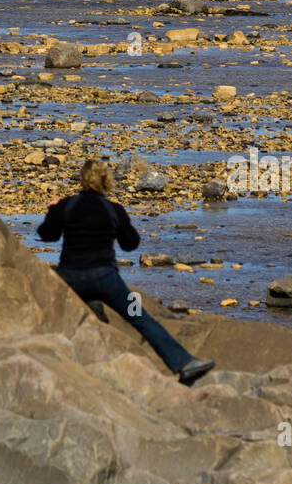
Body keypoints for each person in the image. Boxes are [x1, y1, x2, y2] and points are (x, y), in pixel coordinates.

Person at [37, 157, 215, 387]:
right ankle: (184, 364)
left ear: (82, 179)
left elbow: (47, 235)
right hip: (106, 280)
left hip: (72, 278)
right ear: (107, 181)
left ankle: (80, 324)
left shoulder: (67, 205)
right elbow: (130, 244)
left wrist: (52, 210)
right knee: (140, 318)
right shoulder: (113, 210)